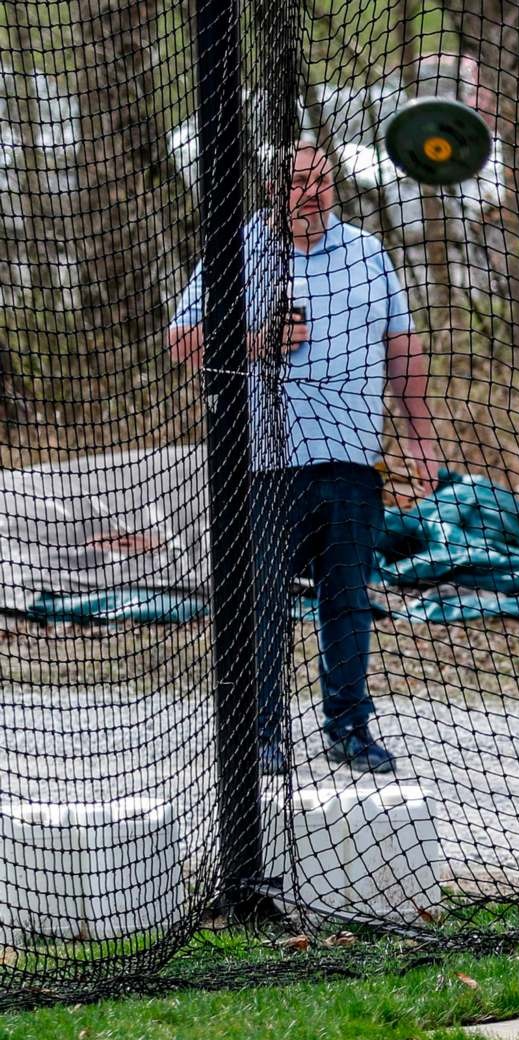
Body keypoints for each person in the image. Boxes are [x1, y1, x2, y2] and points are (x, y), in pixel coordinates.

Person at [167, 141, 440, 776]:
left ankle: (348, 728)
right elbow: (182, 339)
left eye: (321, 182)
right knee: (261, 601)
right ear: (273, 190)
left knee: (346, 598)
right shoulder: (239, 251)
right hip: (267, 462)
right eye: (296, 183)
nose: (310, 195)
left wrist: (421, 436)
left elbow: (402, 350)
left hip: (349, 460)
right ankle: (262, 734)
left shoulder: (368, 255)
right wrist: (259, 339)